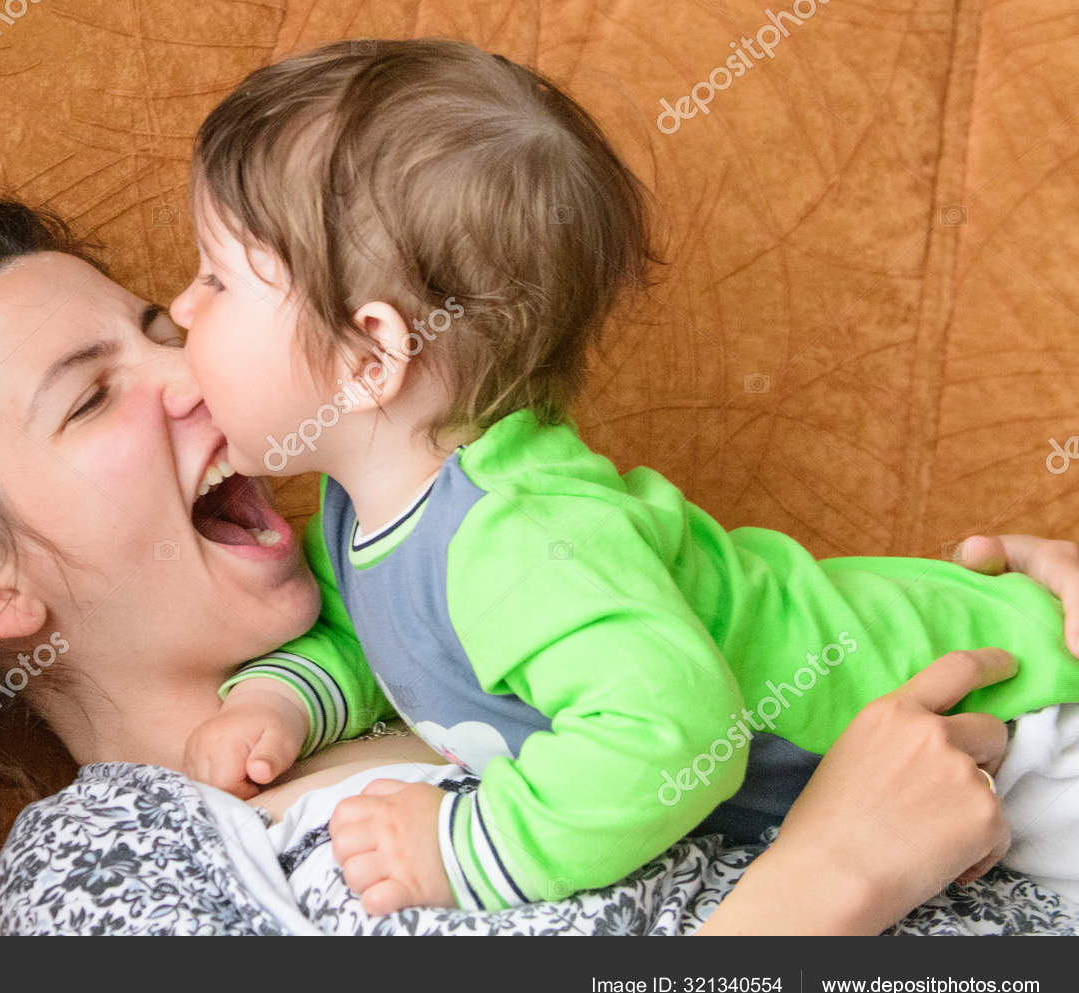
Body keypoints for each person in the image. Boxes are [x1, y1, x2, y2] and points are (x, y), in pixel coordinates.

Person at [0, 199, 1073, 934]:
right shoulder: (103, 864)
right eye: (90, 399)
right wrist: (835, 876)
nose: (192, 375)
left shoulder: (437, 605)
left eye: (167, 328)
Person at [169, 38, 1079, 913]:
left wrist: (468, 846)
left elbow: (674, 736)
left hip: (1021, 712)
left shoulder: (519, 533)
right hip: (940, 760)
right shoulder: (363, 509)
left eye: (215, 279)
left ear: (370, 357)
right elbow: (394, 644)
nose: (179, 307)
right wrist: (285, 698)